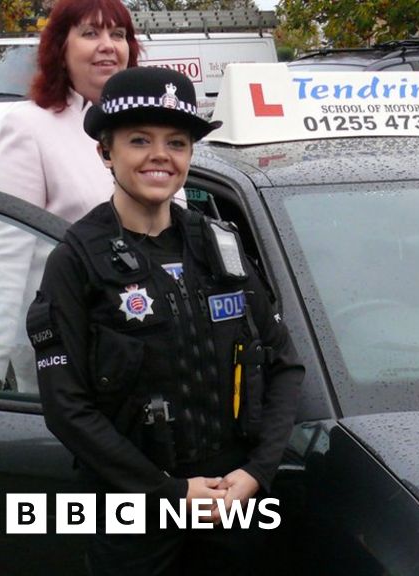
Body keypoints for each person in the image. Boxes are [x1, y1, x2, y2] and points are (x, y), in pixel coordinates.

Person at [26, 66, 304, 574]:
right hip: (134, 509)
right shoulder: (77, 260)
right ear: (105, 152)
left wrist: (257, 473)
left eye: (176, 142)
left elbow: (284, 365)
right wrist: (169, 492)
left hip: (231, 500)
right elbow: (67, 407)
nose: (160, 155)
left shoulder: (220, 247)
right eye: (139, 140)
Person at [0, 0, 139, 391]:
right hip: (67, 352)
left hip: (144, 343)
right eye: (90, 33)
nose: (108, 45)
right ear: (60, 50)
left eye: (117, 34)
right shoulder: (28, 127)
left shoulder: (146, 131)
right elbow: (6, 250)